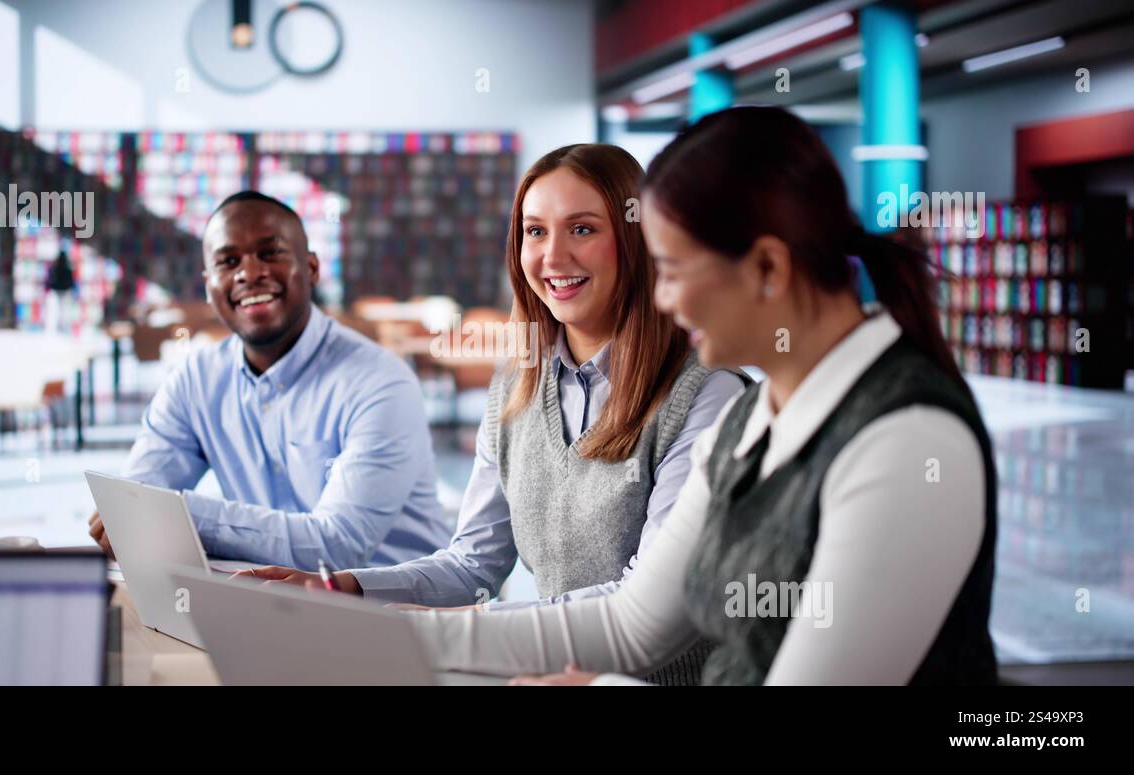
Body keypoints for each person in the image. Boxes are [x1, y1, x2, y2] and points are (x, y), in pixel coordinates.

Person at [407, 107, 999, 685]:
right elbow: (631, 624)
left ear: (767, 265)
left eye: (672, 270)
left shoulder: (908, 438)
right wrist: (399, 632)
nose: (660, 300)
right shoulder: (747, 421)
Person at [236, 144, 747, 684]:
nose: (552, 258)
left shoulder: (706, 396)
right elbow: (474, 564)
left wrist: (446, 627)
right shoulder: (517, 384)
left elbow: (640, 611)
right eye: (535, 231)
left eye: (582, 229)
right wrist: (349, 590)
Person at [88, 191, 452, 569]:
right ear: (210, 286)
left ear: (310, 268)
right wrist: (129, 515)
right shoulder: (195, 381)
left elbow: (336, 546)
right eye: (228, 262)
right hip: (274, 603)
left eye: (270, 253)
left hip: (400, 613)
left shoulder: (381, 382)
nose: (249, 273)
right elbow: (136, 500)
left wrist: (177, 515)